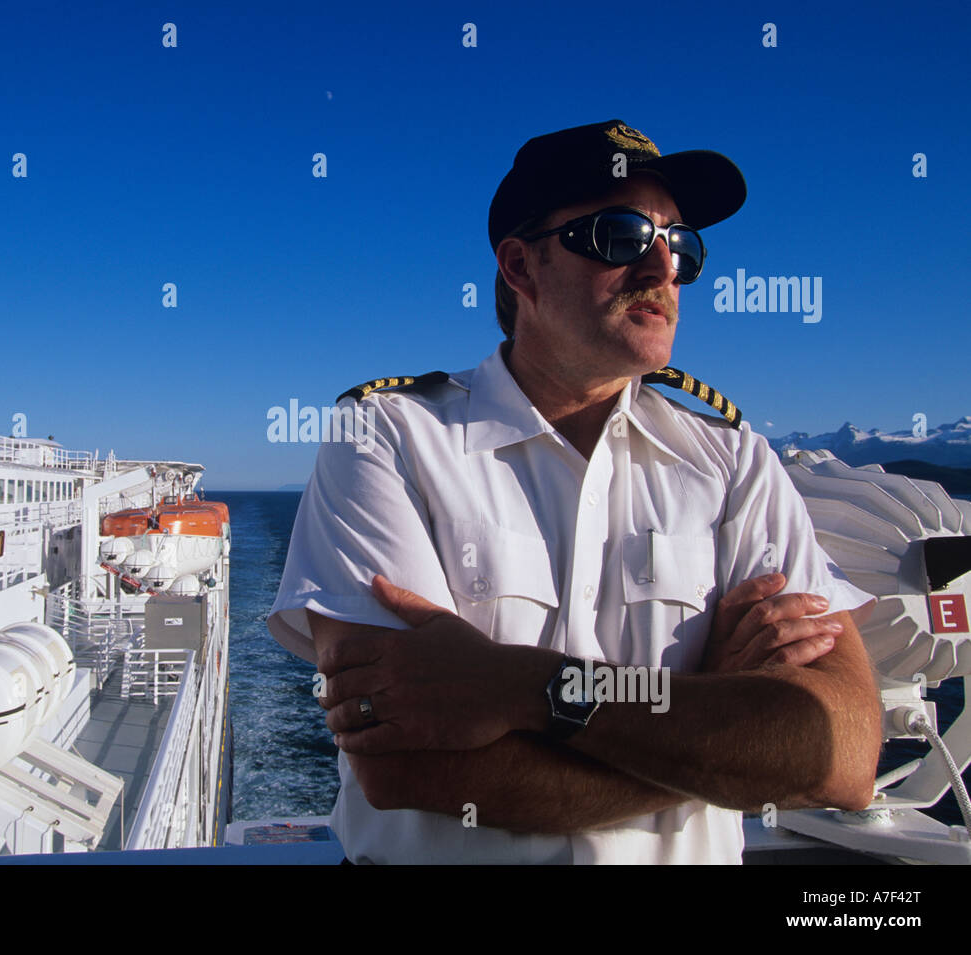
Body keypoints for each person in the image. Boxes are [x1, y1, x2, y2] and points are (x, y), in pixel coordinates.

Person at [266, 120, 881, 864]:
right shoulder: (390, 438)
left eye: (680, 246)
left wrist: (522, 687)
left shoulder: (734, 462)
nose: (662, 266)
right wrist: (722, 726)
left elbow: (841, 753)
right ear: (521, 267)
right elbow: (408, 766)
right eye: (621, 235)